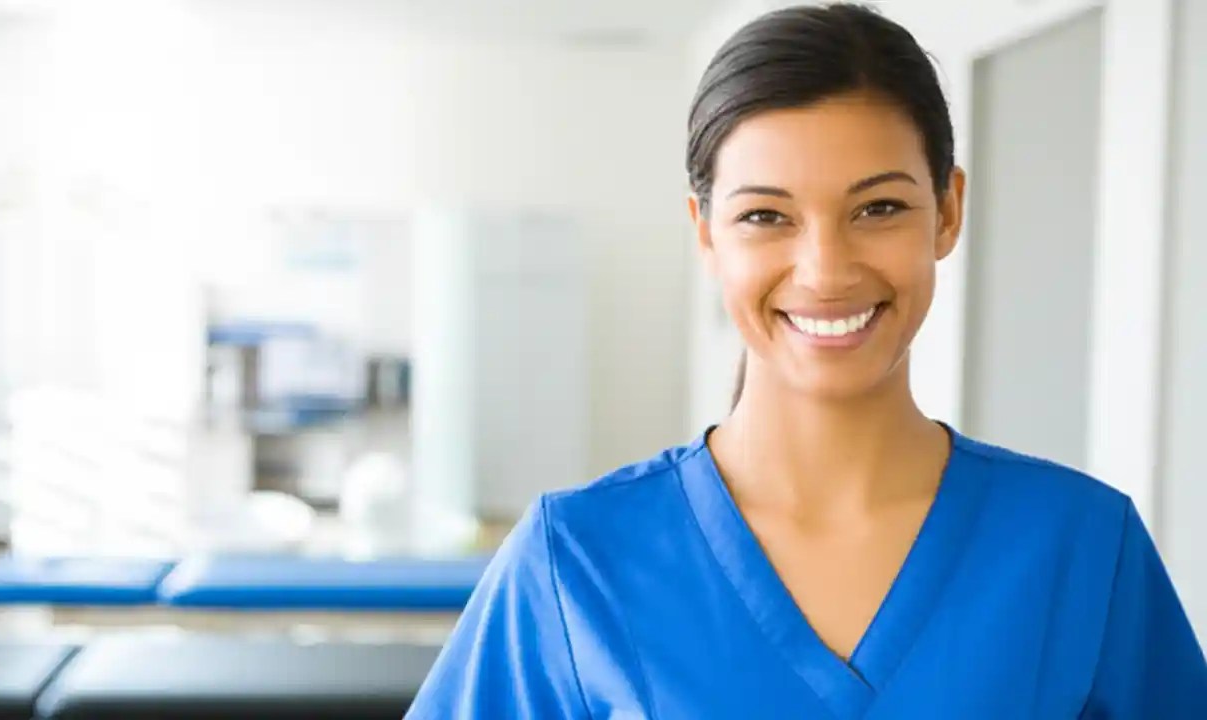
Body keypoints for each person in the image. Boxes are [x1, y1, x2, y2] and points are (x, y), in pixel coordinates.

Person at [406, 4, 1207, 718]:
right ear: (707, 232)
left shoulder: (1083, 551)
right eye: (765, 215)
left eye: (879, 207)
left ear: (949, 210)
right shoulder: (576, 562)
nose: (825, 269)